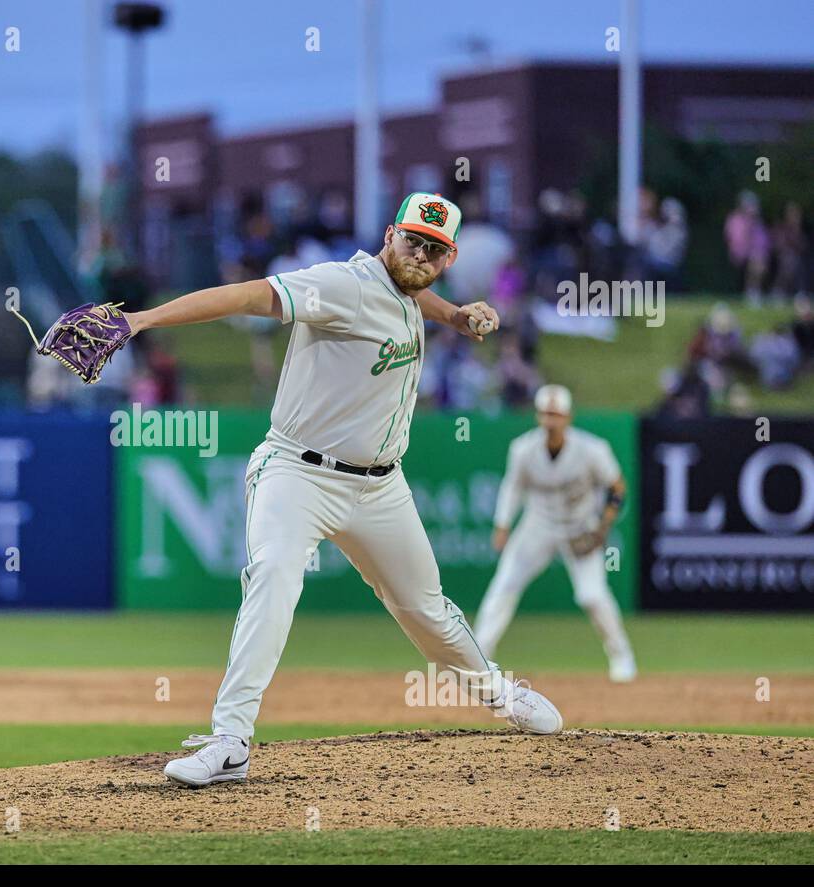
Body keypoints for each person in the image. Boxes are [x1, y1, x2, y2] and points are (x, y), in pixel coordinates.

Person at [109, 192, 564, 788]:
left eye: (434, 249)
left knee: (426, 611)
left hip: (381, 487)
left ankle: (501, 694)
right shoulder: (340, 285)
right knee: (273, 577)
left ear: (448, 259)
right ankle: (230, 741)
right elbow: (251, 296)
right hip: (299, 472)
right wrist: (141, 321)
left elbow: (410, 292)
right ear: (388, 236)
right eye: (411, 240)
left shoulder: (406, 289)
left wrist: (452, 315)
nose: (419, 254)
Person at [475, 385, 637, 683]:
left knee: (592, 595)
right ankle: (478, 659)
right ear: (538, 417)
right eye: (546, 414)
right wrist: (502, 524)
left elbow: (617, 488)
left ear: (568, 417)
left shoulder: (592, 449)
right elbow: (513, 487)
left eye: (556, 414)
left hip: (580, 526)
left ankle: (622, 656)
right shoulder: (523, 449)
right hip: (538, 525)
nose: (551, 421)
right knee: (505, 584)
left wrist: (603, 527)